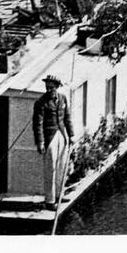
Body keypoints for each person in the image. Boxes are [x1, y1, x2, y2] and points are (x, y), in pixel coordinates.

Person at [33, 75, 75, 207]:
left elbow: (67, 117)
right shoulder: (41, 103)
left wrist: (71, 134)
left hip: (62, 135)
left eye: (51, 87)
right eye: (47, 87)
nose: (49, 90)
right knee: (50, 168)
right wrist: (40, 142)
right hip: (49, 137)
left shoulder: (63, 98)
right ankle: (50, 201)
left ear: (57, 87)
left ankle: (59, 195)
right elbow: (37, 125)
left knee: (61, 166)